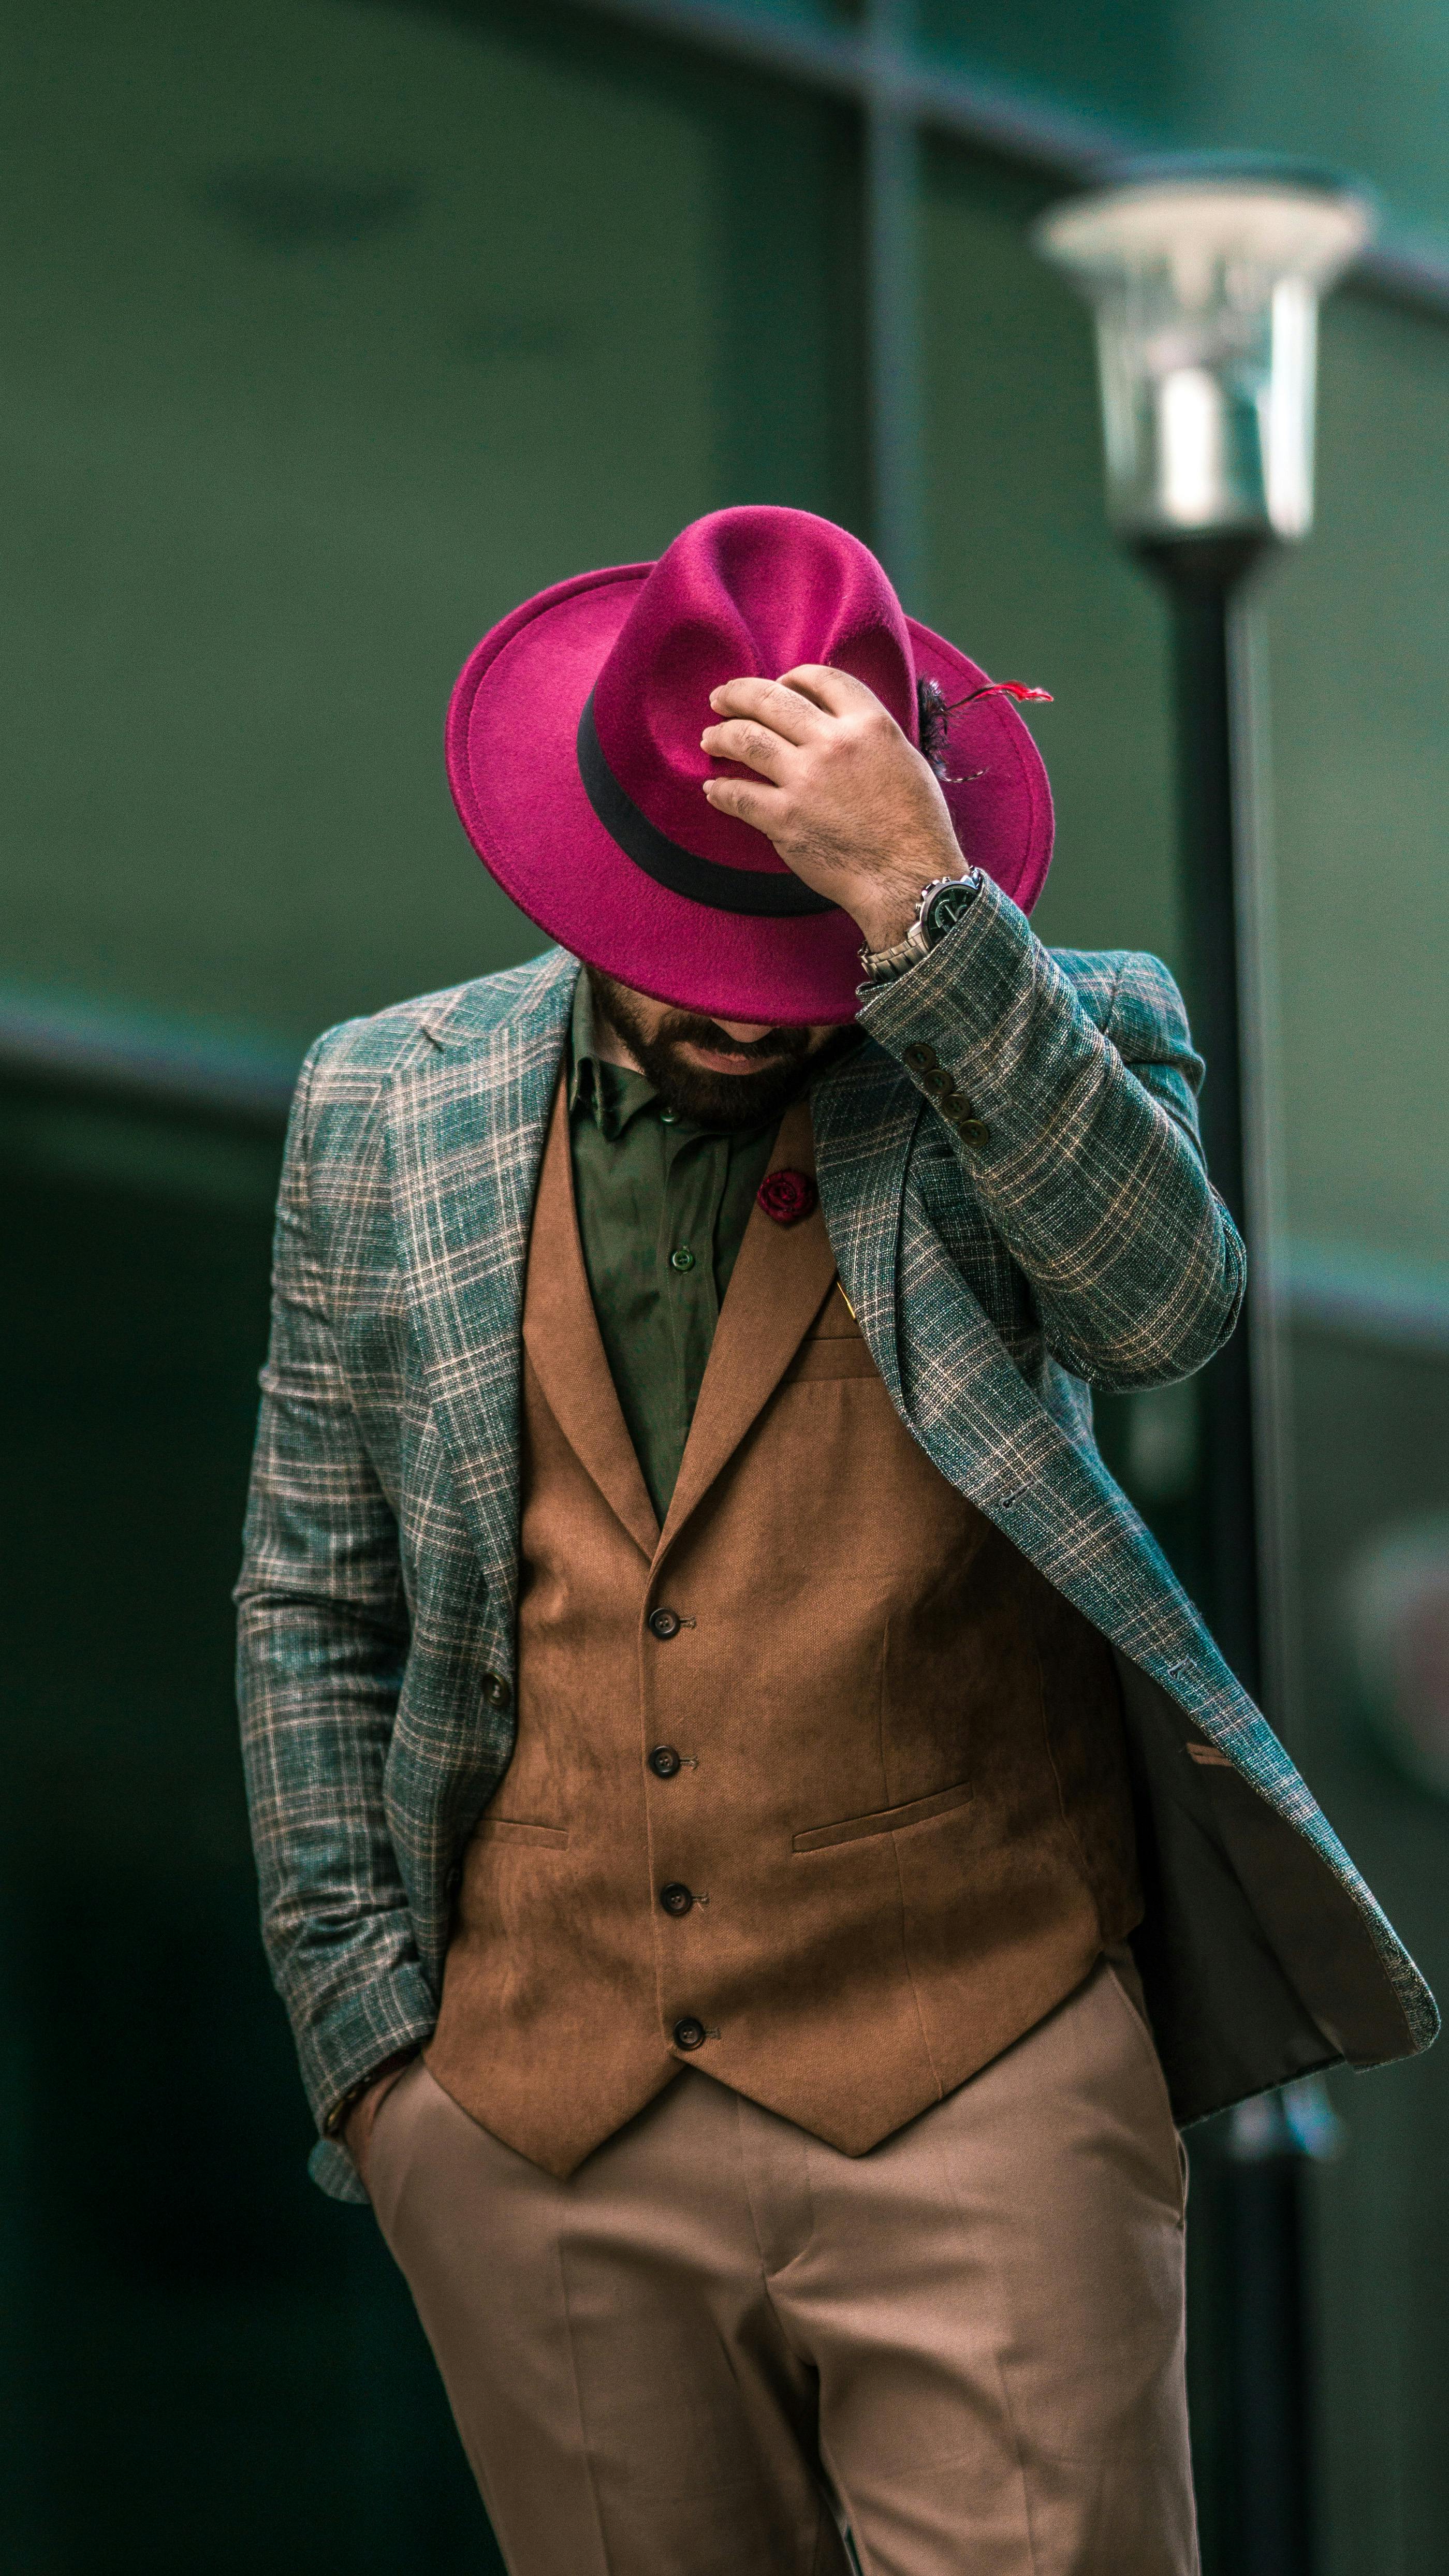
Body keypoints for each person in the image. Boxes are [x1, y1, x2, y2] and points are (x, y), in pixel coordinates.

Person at [236, 505, 1433, 2576]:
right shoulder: (384, 1101)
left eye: (786, 937)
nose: (751, 1001)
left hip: (975, 2068)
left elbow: (1159, 1306)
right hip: (536, 2107)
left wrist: (925, 918)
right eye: (700, 937)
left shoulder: (1042, 1015)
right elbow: (312, 1590)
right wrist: (376, 2055)